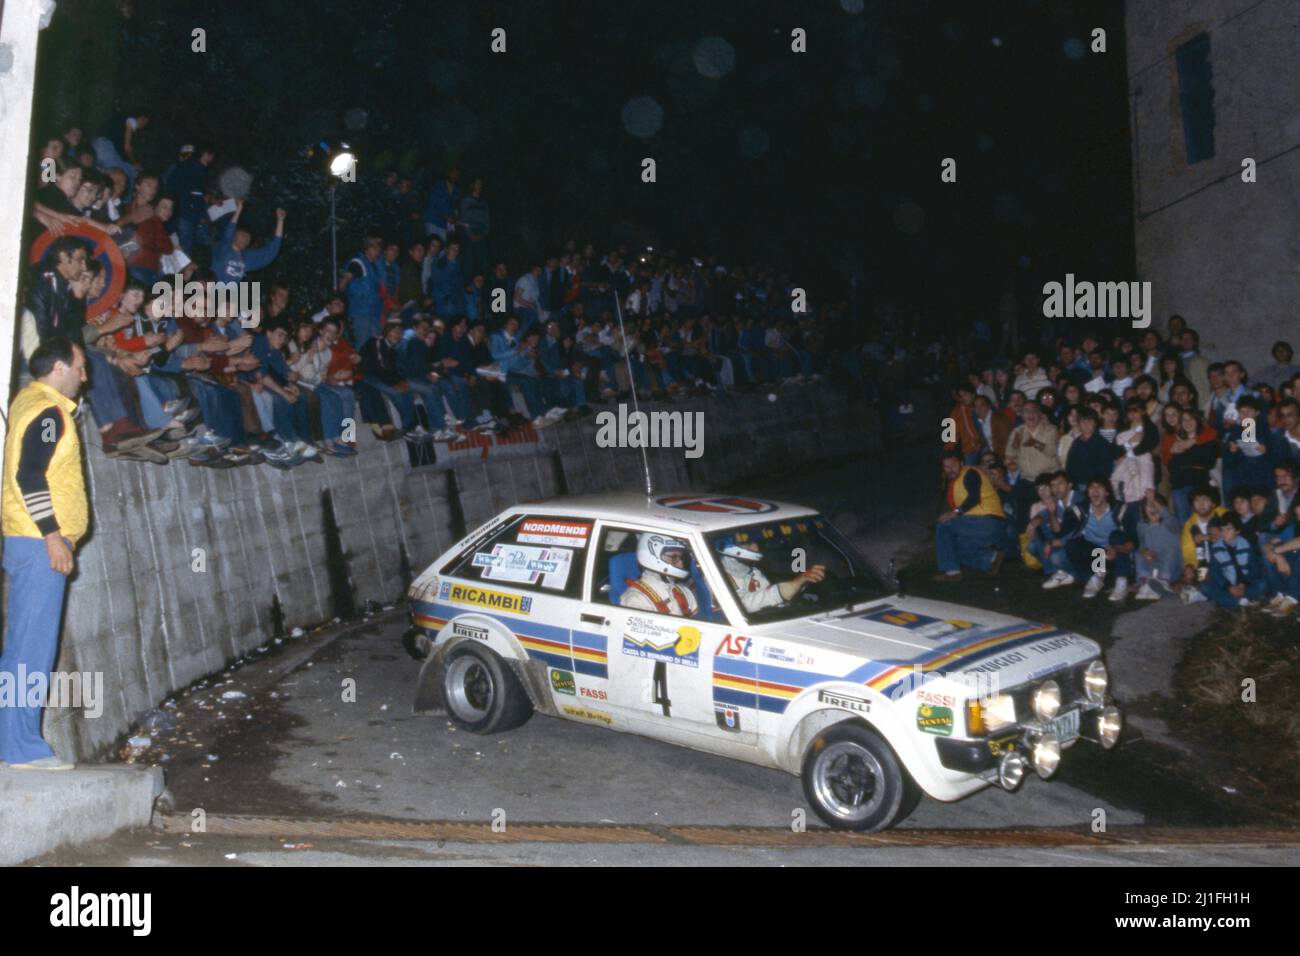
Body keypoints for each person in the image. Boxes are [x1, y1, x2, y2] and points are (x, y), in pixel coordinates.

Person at [0, 337, 89, 770]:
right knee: (31, 648)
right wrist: (53, 534)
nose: (84, 376)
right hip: (39, 544)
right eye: (80, 367)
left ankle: (12, 742)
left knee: (22, 644)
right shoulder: (49, 413)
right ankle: (20, 748)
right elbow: (29, 475)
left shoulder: (27, 402)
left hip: (26, 540)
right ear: (59, 368)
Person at [932, 450, 1006, 582]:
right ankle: (990, 560)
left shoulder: (970, 473)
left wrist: (954, 513)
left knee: (943, 526)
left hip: (987, 520)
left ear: (961, 463)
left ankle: (952, 572)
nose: (950, 469)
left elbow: (974, 498)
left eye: (953, 465)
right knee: (951, 549)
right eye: (946, 467)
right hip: (981, 524)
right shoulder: (953, 481)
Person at [713, 533, 826, 613]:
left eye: (755, 543)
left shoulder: (751, 570)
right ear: (727, 546)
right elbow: (743, 605)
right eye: (748, 543)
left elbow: (769, 596)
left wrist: (799, 585)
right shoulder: (716, 575)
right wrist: (794, 584)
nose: (756, 547)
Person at [620, 533, 699, 617]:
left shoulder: (684, 592)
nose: (681, 564)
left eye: (681, 558)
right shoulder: (636, 599)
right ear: (653, 555)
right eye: (674, 557)